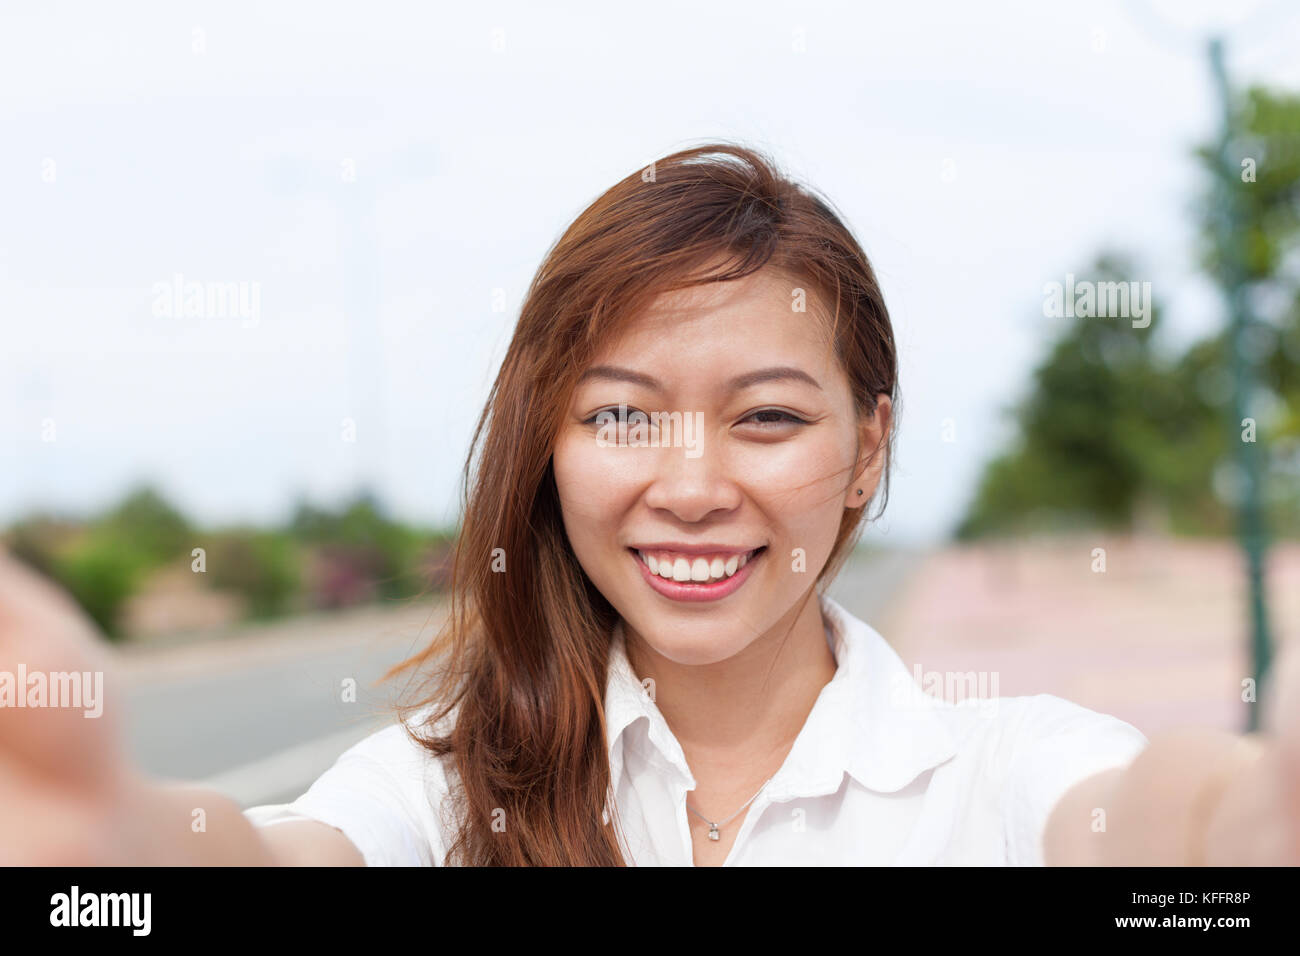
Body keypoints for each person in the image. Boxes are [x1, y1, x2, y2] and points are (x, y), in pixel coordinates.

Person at [1, 144, 1295, 866]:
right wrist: (103, 830)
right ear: (548, 449)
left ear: (867, 451)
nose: (688, 487)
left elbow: (1165, 822)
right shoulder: (445, 797)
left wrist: (1256, 817)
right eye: (620, 414)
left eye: (769, 416)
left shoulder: (1006, 774)